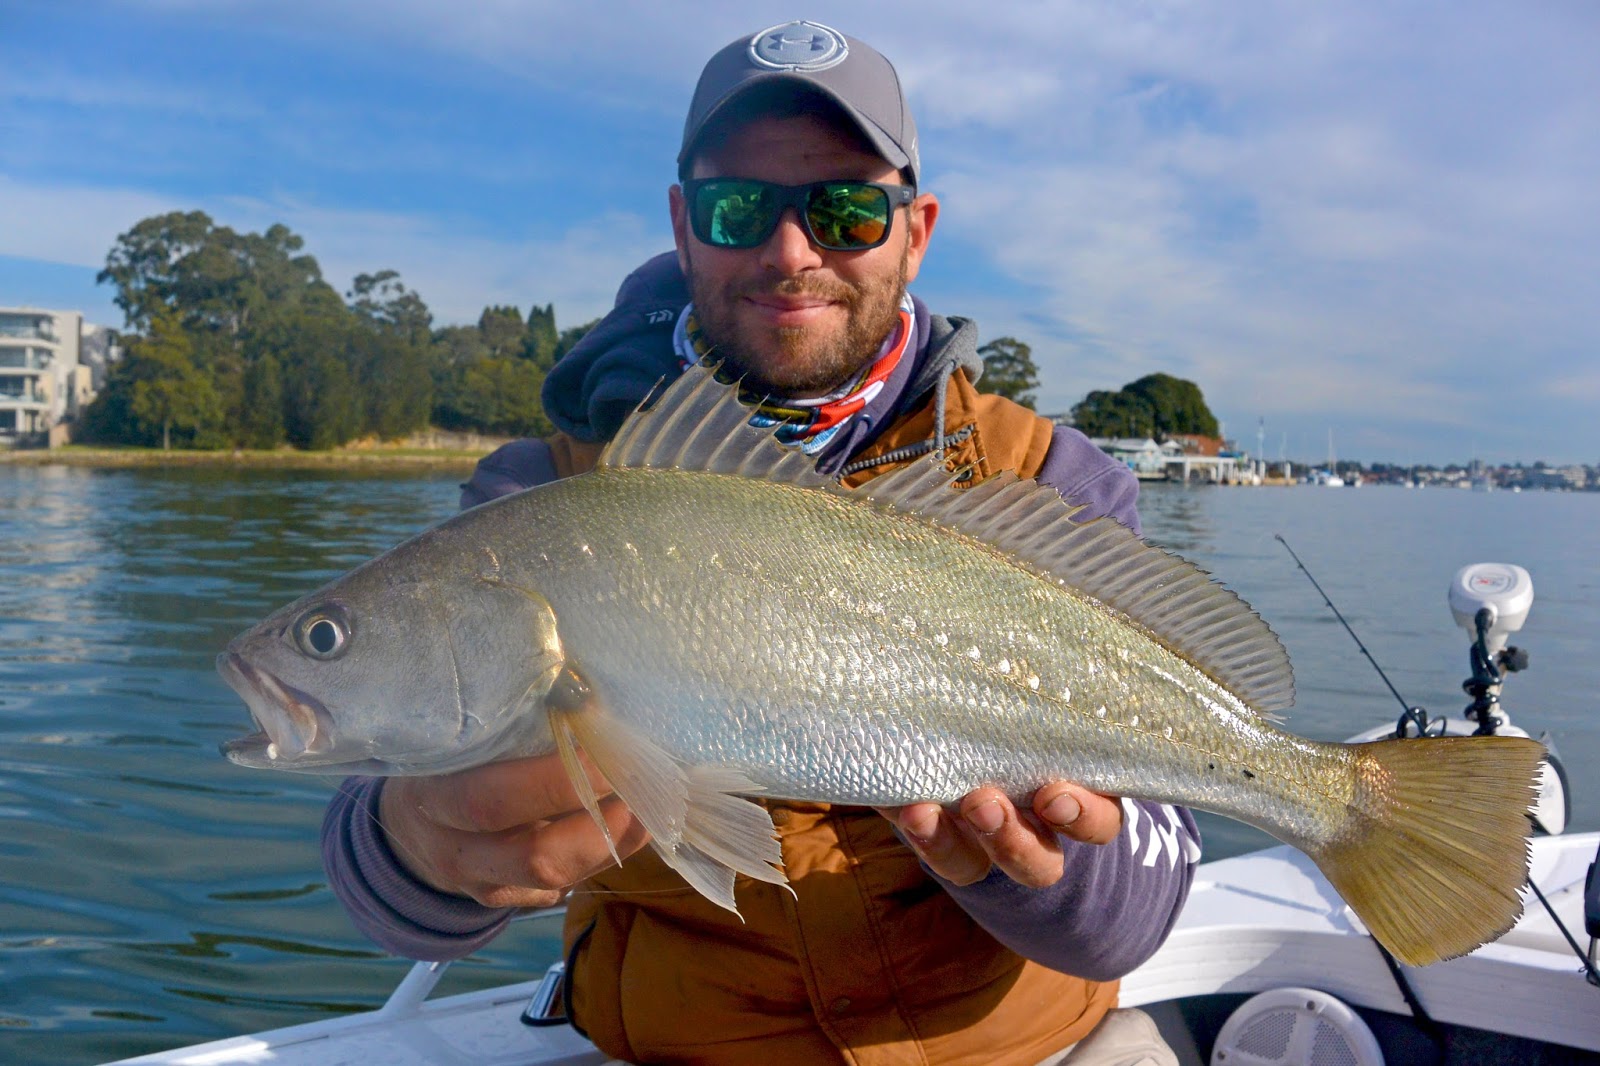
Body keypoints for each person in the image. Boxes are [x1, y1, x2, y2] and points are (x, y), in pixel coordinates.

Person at [323, 21, 1198, 1065]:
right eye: (741, 210)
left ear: (914, 231)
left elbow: (1136, 916)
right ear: (685, 227)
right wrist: (418, 847)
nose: (792, 254)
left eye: (844, 209)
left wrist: (1034, 869)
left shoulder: (1051, 483)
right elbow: (392, 892)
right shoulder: (544, 499)